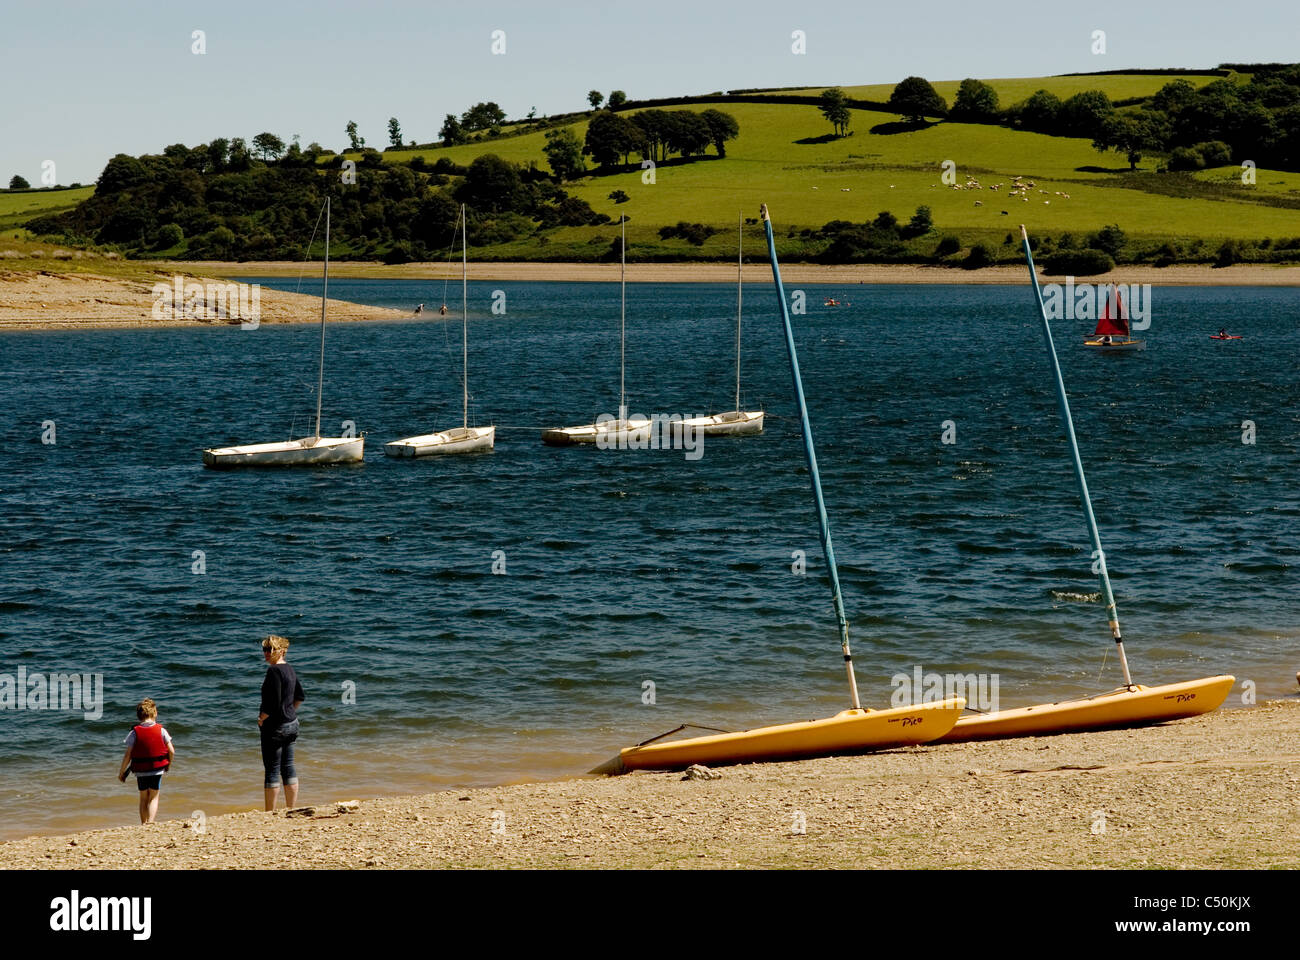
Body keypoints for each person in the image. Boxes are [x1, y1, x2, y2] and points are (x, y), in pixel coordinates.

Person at [258, 634, 305, 811]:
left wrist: (262, 718)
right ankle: (291, 808)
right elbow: (300, 696)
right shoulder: (290, 669)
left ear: (282, 651)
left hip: (275, 727)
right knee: (288, 766)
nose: (267, 653)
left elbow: (273, 703)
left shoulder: (273, 671)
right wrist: (289, 710)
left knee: (272, 769)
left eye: (271, 649)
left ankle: (269, 812)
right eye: (265, 649)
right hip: (292, 723)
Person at [117, 698, 174, 824]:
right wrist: (168, 764)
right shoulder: (162, 730)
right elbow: (172, 751)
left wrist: (122, 772)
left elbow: (128, 756)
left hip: (141, 771)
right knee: (154, 797)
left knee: (143, 798)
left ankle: (144, 823)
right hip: (157, 770)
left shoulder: (134, 733)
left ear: (138, 716)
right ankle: (151, 822)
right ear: (155, 713)